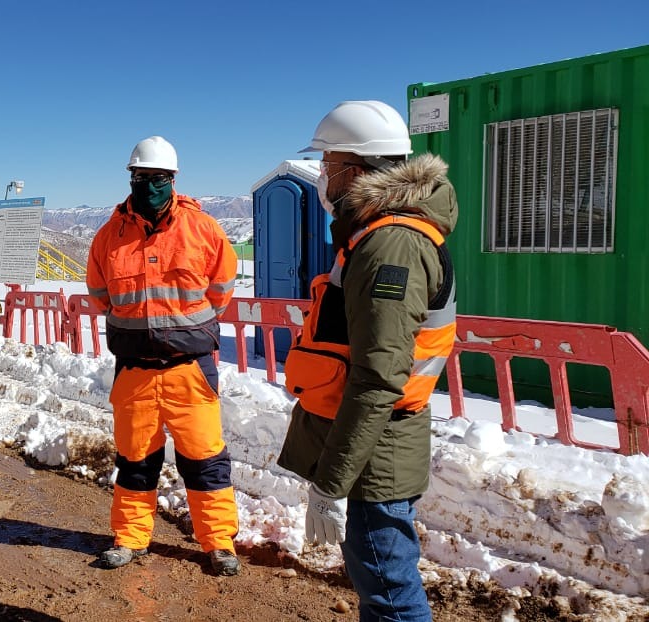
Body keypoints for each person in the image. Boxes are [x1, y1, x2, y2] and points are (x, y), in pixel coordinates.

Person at [277, 100, 457, 622]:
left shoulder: (391, 245)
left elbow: (379, 376)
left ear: (355, 171)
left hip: (381, 444)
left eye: (328, 164)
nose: (322, 177)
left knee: (387, 586)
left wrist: (330, 485)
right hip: (377, 441)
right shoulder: (378, 234)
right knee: (378, 575)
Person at [85, 137, 242, 576]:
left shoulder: (204, 229)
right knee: (135, 460)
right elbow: (100, 294)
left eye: (157, 178)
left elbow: (222, 289)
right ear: (130, 178)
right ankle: (130, 538)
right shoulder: (108, 237)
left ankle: (219, 543)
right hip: (134, 369)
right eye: (140, 177)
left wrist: (182, 330)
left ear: (172, 180)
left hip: (190, 369)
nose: (148, 185)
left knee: (206, 460)